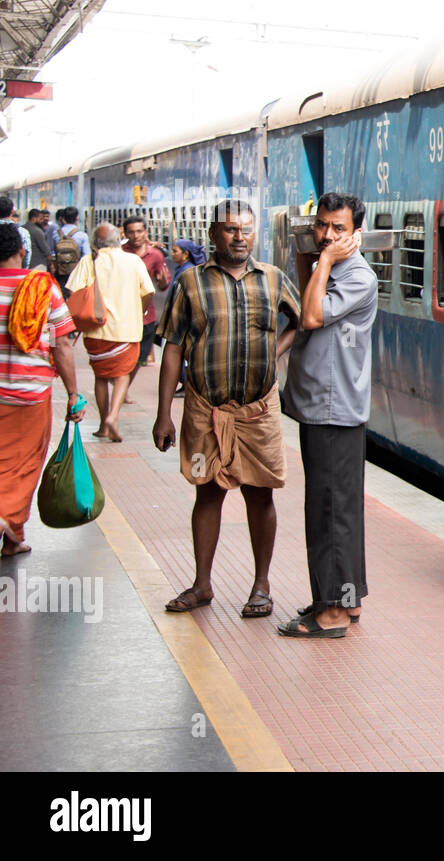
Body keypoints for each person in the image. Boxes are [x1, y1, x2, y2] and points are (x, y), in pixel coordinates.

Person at [153, 200, 300, 618]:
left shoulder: (272, 279)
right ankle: (202, 584)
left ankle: (261, 586)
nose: (240, 237)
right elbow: (173, 347)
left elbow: (301, 320)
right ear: (214, 234)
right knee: (207, 492)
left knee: (261, 495)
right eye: (231, 229)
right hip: (205, 409)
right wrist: (164, 413)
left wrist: (275, 353)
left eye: (247, 229)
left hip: (258, 410)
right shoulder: (190, 283)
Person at [279, 192, 378, 639]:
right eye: (321, 226)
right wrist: (316, 257)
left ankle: (333, 613)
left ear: (356, 233)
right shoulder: (334, 267)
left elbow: (313, 316)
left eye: (339, 229)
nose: (327, 236)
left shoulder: (356, 275)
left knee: (329, 509)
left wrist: (323, 261)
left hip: (333, 408)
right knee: (336, 506)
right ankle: (343, 597)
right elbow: (303, 308)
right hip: (323, 404)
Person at [0, 222, 86, 555]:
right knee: (22, 465)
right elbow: (62, 344)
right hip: (29, 394)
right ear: (22, 251)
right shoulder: (42, 287)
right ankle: (6, 515)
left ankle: (13, 538)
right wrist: (73, 393)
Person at [63, 223, 155, 442]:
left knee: (101, 377)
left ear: (95, 242)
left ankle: (104, 425)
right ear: (118, 239)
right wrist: (139, 310)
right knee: (123, 374)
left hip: (96, 330)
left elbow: (73, 290)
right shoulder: (133, 261)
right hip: (127, 329)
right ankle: (113, 416)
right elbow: (149, 291)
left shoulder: (90, 261)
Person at [122, 215, 170, 392]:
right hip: (122, 313)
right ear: (125, 233)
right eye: (131, 232)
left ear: (145, 232)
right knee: (123, 355)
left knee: (140, 358)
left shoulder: (155, 255)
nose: (136, 236)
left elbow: (163, 285)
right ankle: (121, 386)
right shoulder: (120, 252)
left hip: (145, 315)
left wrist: (163, 280)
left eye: (139, 231)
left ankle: (123, 387)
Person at [160, 238, 206, 392]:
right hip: (179, 319)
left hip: (184, 320)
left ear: (185, 254)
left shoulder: (188, 271)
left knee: (178, 353)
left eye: (175, 251)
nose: (172, 254)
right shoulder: (183, 269)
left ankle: (186, 385)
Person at [49, 207, 90, 294]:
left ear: (63, 218)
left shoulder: (56, 234)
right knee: (75, 297)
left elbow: (51, 252)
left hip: (60, 271)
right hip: (76, 271)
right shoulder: (82, 235)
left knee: (61, 295)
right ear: (77, 218)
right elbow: (86, 255)